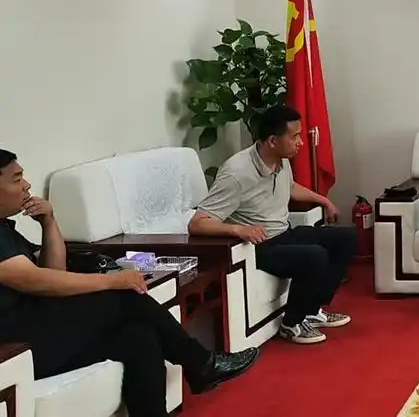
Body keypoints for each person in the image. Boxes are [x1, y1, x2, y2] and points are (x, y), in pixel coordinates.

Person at [0, 149, 258, 417]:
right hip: (13, 350)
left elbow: (54, 270)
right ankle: (202, 364)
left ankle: (201, 367)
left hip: (37, 331)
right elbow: (37, 280)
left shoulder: (5, 229)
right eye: (17, 179)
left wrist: (49, 222)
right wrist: (111, 281)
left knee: (139, 338)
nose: (27, 185)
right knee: (123, 297)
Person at [188, 105, 357, 344]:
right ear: (272, 141)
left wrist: (324, 201)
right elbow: (198, 223)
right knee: (315, 256)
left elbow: (291, 188)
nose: (300, 142)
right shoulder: (236, 173)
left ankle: (311, 311)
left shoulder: (281, 159)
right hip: (259, 246)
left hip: (284, 234)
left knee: (346, 238)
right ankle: (291, 324)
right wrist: (238, 229)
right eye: (294, 137)